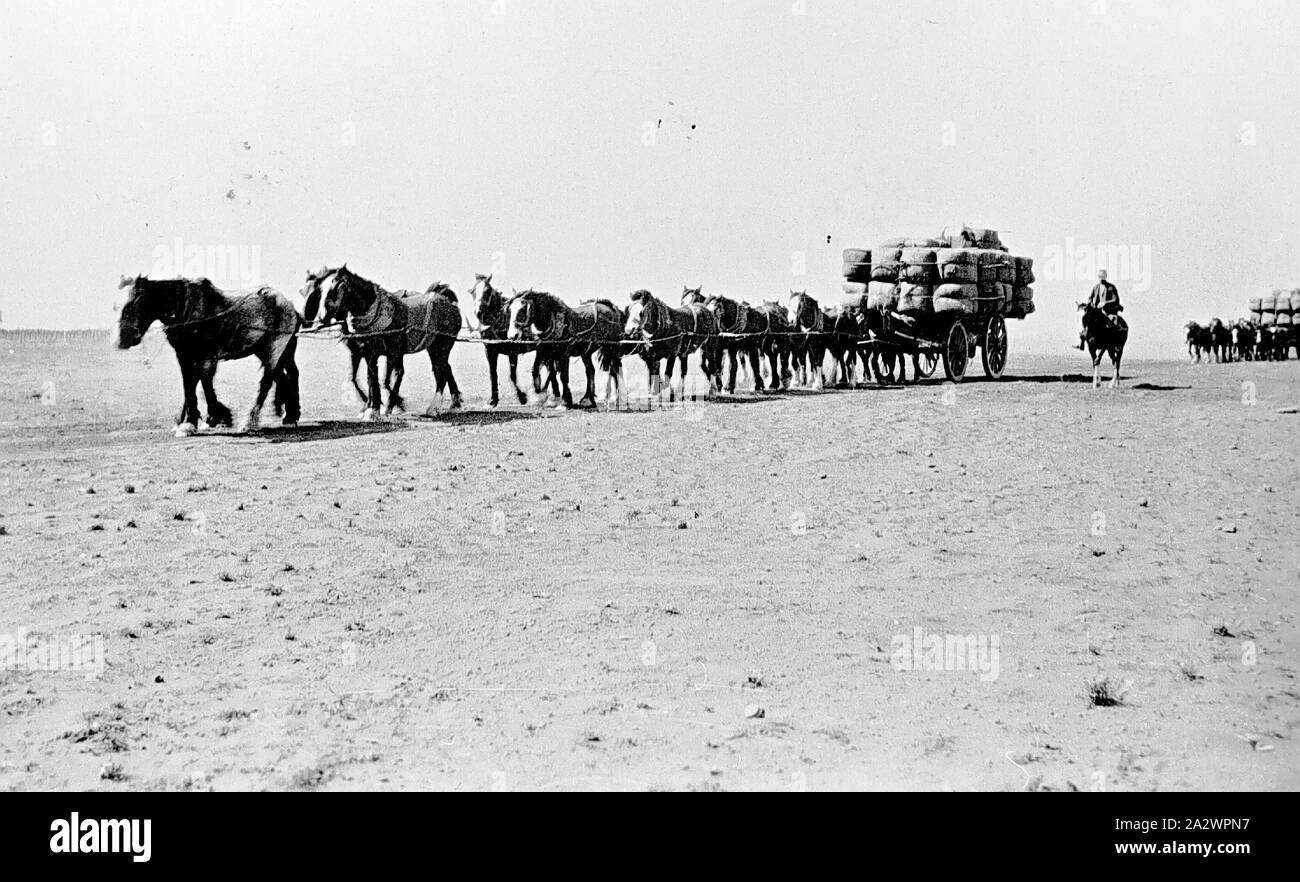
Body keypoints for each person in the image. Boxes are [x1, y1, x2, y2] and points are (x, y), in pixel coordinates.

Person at [1076, 269, 1122, 349]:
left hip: (1108, 311)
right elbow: (1090, 298)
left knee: (1111, 323)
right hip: (1097, 311)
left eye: (1103, 276)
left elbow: (1116, 299)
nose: (1101, 278)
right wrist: (1091, 304)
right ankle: (1082, 339)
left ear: (1105, 276)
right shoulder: (1096, 287)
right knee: (1085, 318)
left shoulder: (1111, 287)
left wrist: (1105, 303)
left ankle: (1115, 341)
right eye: (1100, 277)